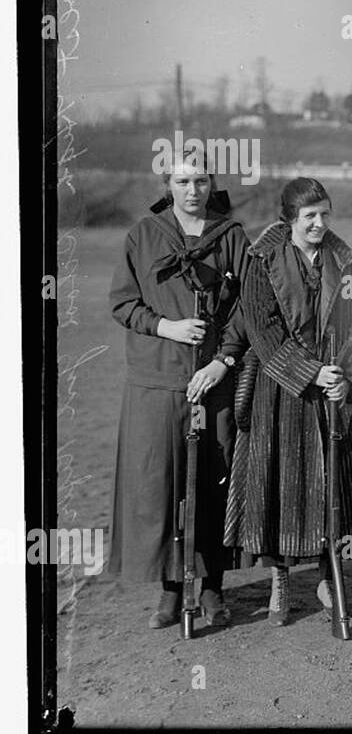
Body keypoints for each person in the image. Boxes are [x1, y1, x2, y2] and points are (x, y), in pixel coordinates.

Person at [225, 178, 352, 626]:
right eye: (309, 216)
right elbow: (263, 330)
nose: (319, 223)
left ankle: (330, 575)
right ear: (289, 219)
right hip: (282, 388)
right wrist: (308, 372)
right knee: (280, 486)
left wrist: (344, 375)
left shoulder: (344, 261)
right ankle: (280, 580)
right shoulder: (261, 260)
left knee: (334, 487)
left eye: (325, 214)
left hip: (333, 389)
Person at [108, 158, 248, 629]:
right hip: (157, 381)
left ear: (212, 184)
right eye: (183, 181)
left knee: (213, 480)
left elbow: (246, 311)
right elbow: (123, 303)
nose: (193, 190)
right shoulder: (143, 236)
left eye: (201, 181)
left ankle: (211, 589)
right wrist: (167, 325)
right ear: (168, 186)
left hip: (213, 382)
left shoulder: (230, 236)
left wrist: (219, 361)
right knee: (162, 485)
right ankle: (170, 588)